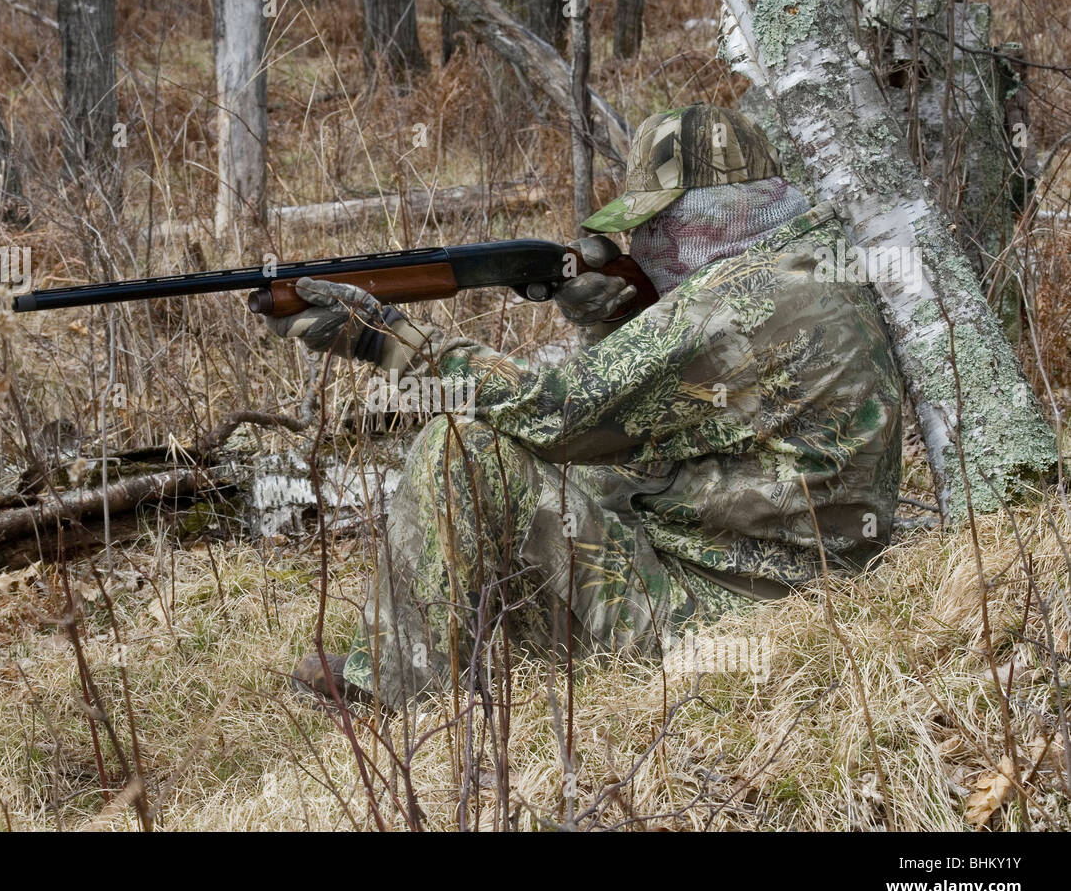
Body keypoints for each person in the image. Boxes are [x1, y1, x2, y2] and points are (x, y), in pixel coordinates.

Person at [265, 104, 903, 708]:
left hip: (723, 624)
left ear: (711, 216)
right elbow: (646, 425)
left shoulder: (734, 303)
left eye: (657, 223)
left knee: (463, 445)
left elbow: (556, 417)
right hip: (796, 589)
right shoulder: (814, 265)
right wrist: (614, 320)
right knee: (585, 478)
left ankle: (393, 689)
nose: (644, 242)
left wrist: (386, 340)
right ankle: (467, 637)